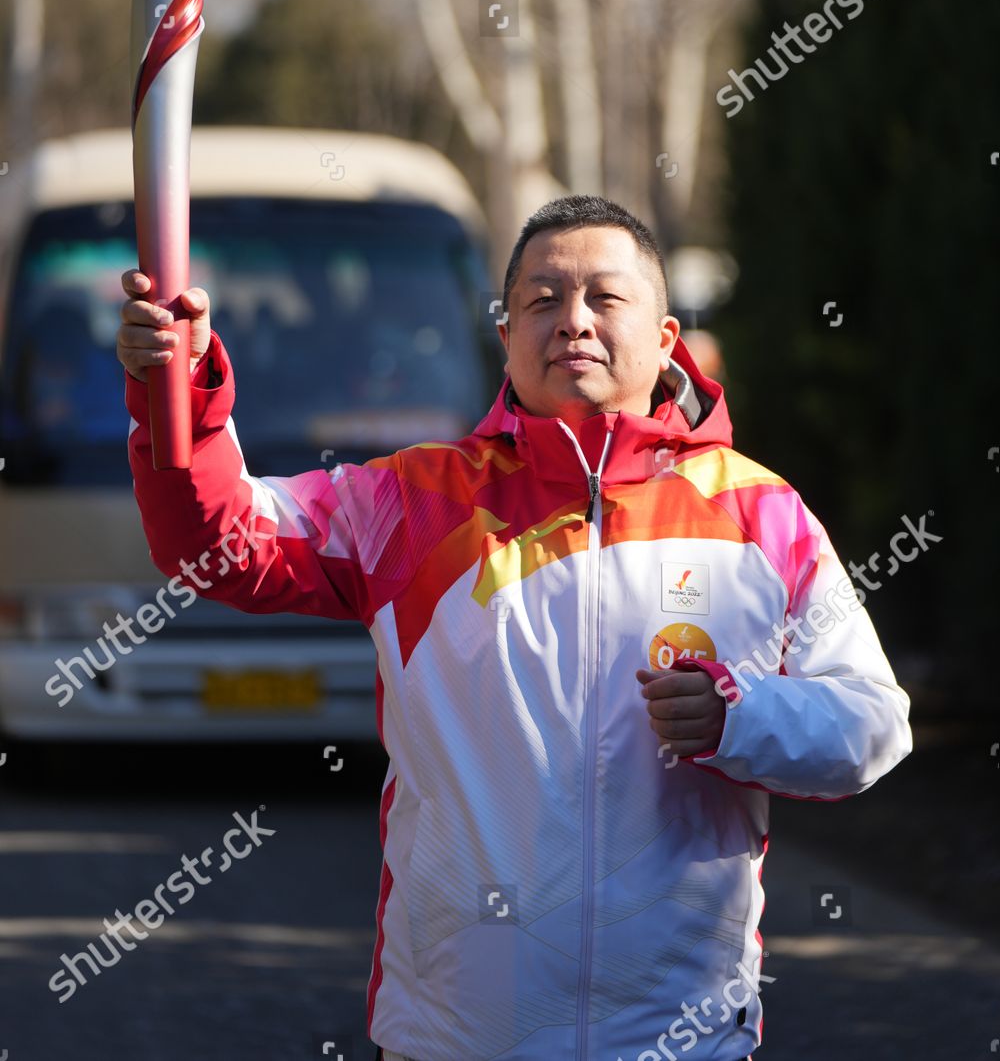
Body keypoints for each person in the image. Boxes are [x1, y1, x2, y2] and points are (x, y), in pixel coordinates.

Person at [117, 194, 912, 1061]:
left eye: (604, 298)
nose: (572, 321)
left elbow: (872, 724)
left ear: (666, 337)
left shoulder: (762, 513)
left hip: (678, 1039)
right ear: (506, 337)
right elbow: (220, 545)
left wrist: (741, 718)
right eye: (541, 300)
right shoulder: (412, 502)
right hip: (455, 1039)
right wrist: (180, 390)